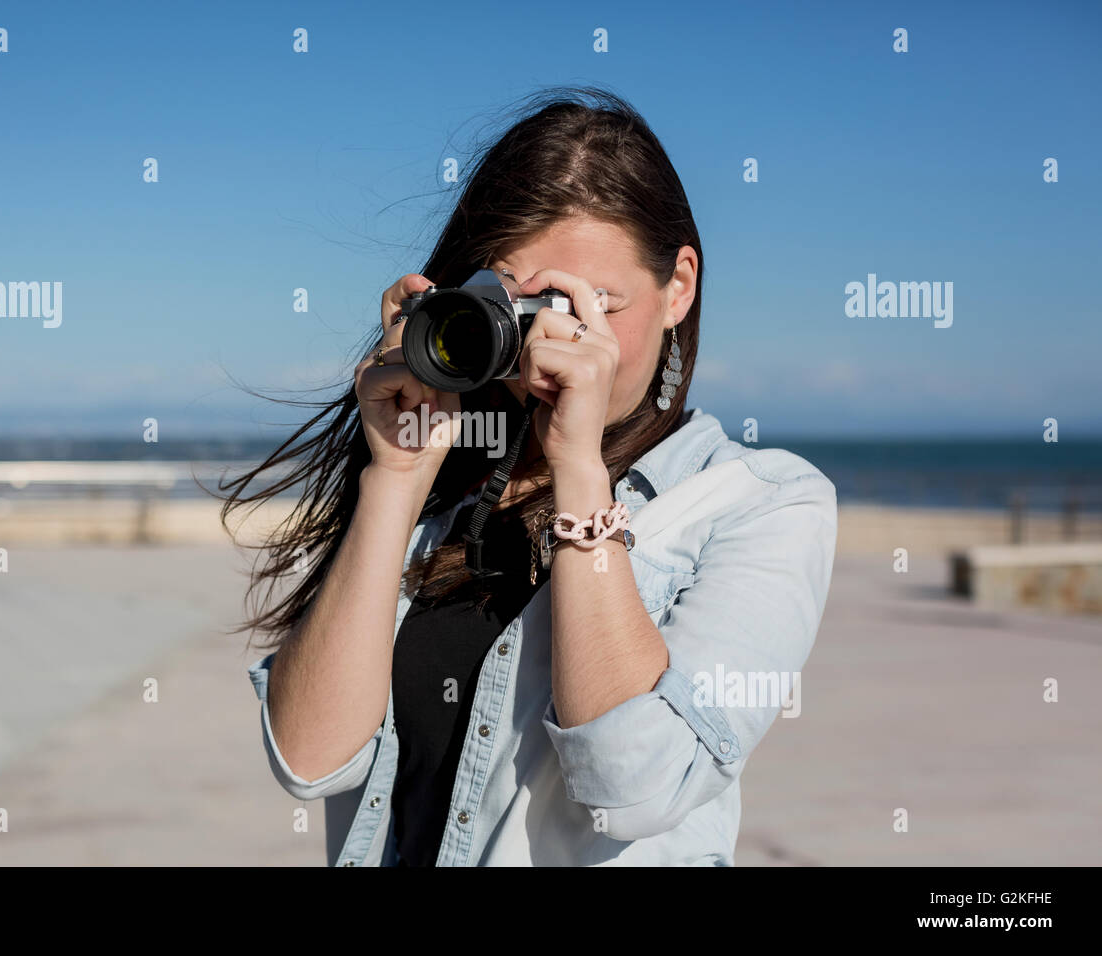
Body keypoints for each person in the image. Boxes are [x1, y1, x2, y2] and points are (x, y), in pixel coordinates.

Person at [225, 87, 837, 866]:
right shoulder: (444, 484)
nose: (556, 337)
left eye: (592, 305)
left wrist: (581, 472)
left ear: (678, 285)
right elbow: (309, 760)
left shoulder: (764, 503)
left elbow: (635, 786)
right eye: (523, 305)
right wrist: (397, 478)